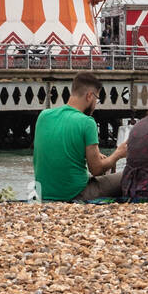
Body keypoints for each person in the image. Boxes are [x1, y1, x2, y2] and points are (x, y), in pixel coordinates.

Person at [32, 72, 127, 201]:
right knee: (129, 176)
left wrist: (91, 154)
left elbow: (58, 147)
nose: (95, 104)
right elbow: (96, 169)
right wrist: (118, 154)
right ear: (89, 96)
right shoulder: (87, 122)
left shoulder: (44, 115)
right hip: (75, 194)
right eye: (97, 99)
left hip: (43, 192)